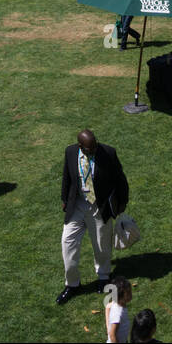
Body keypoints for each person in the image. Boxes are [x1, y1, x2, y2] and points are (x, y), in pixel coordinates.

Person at [57, 129, 129, 305]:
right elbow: (67, 177)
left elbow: (120, 179)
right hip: (77, 206)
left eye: (95, 145)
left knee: (101, 244)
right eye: (90, 148)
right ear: (81, 147)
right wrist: (65, 199)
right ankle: (72, 284)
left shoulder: (108, 153)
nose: (95, 149)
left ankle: (103, 277)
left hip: (99, 206)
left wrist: (122, 202)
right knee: (68, 242)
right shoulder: (71, 152)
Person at [106, 276, 133, 343]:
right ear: (119, 296)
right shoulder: (118, 313)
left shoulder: (117, 303)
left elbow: (107, 307)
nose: (131, 294)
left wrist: (108, 327)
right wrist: (109, 330)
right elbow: (112, 335)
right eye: (128, 293)